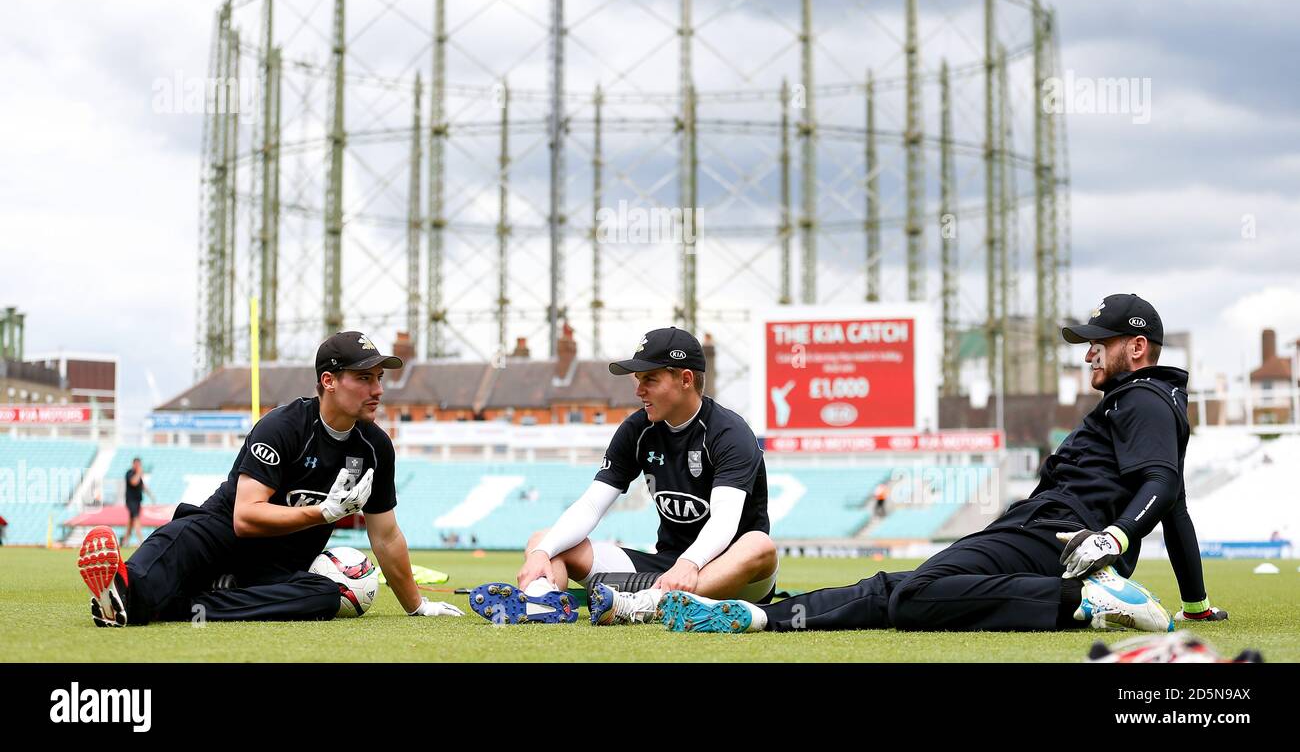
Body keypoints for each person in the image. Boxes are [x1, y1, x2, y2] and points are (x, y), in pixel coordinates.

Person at [661, 294, 1229, 634]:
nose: (1087, 353)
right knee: (900, 586)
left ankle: (1085, 603)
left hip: (1058, 534)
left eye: (1098, 343)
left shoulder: (1144, 399)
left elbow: (1162, 484)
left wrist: (1116, 538)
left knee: (913, 594)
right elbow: (1174, 505)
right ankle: (764, 619)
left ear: (1136, 347)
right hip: (1047, 530)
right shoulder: (1150, 405)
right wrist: (1197, 606)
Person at [76, 331, 463, 626]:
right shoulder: (283, 426)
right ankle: (124, 589)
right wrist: (323, 513)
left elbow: (387, 536)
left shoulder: (376, 447)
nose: (377, 389)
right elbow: (246, 518)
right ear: (329, 381)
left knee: (325, 596)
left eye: (379, 378)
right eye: (364, 378)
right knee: (183, 534)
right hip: (224, 536)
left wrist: (418, 606)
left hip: (279, 566)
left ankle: (183, 606)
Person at [469, 326, 778, 625]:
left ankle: (641, 607)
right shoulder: (637, 429)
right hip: (667, 568)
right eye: (637, 379)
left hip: (733, 575)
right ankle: (541, 603)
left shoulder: (729, 433)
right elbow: (591, 505)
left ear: (685, 379)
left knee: (759, 545)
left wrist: (690, 564)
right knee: (543, 540)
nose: (638, 390)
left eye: (650, 379)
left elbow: (725, 522)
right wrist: (540, 553)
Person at [122, 457, 155, 546]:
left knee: (131, 520)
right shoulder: (129, 473)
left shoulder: (138, 475)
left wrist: (150, 495)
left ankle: (125, 541)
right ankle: (141, 540)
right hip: (130, 500)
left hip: (137, 501)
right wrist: (139, 473)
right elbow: (134, 482)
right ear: (133, 464)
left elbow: (142, 485)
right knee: (136, 518)